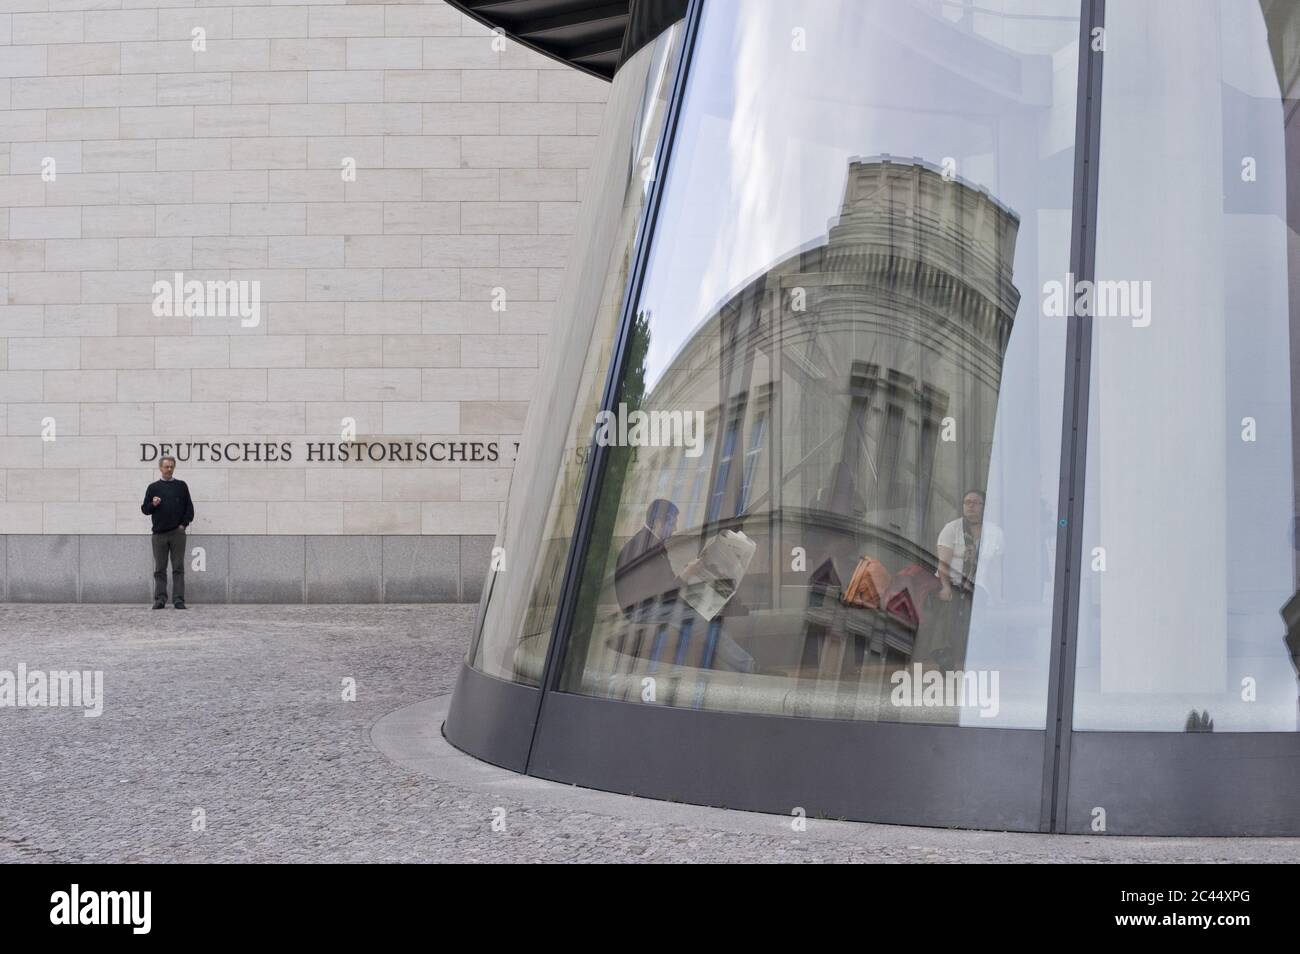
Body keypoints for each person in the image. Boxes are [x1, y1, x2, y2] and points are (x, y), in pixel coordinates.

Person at [613, 499, 755, 673]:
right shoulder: (643, 547)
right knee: (699, 622)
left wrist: (696, 572)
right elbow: (662, 592)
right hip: (642, 610)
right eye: (672, 524)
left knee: (710, 604)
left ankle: (731, 666)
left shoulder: (649, 543)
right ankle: (747, 667)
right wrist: (688, 573)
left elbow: (666, 588)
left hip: (656, 604)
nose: (674, 529)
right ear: (659, 523)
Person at [141, 456, 194, 610]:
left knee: (178, 568)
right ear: (160, 468)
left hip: (177, 534)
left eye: (171, 466)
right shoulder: (153, 488)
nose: (169, 469)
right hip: (159, 535)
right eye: (166, 467)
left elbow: (189, 508)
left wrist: (183, 525)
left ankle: (178, 600)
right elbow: (145, 509)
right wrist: (153, 504)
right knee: (159, 569)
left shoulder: (181, 486)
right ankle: (160, 599)